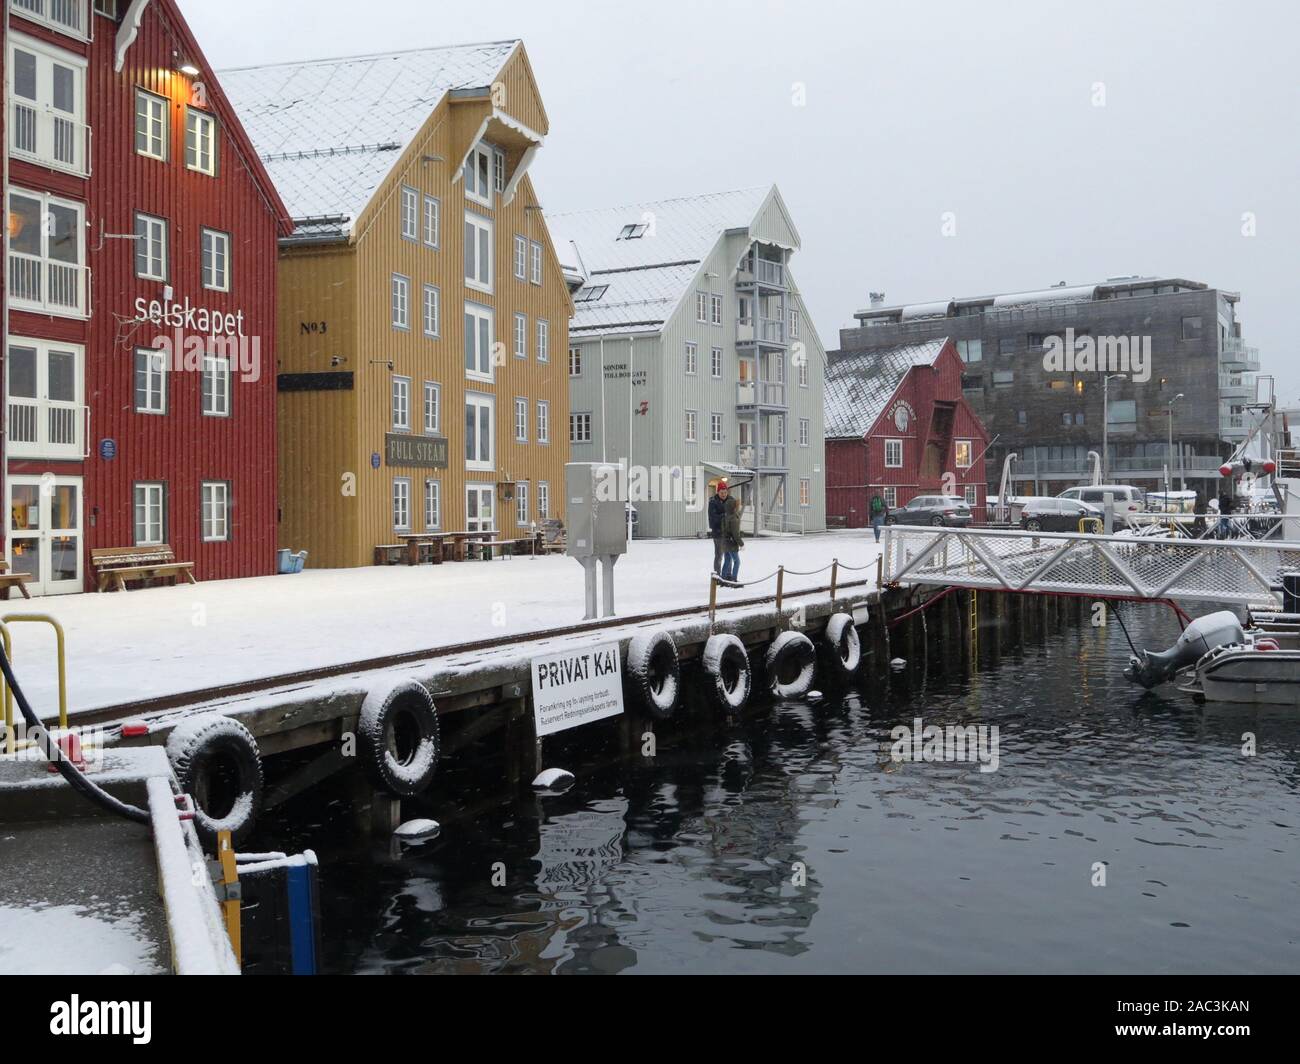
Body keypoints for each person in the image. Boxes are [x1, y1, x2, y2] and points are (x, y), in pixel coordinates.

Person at [720, 491, 744, 585]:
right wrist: (741, 543)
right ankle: (734, 580)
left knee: (727, 560)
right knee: (737, 562)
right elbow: (735, 534)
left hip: (725, 542)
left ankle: (723, 579)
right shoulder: (734, 519)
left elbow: (725, 530)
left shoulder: (725, 517)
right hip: (731, 543)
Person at [708, 480, 729, 574]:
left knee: (729, 555)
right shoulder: (713, 502)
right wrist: (724, 516)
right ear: (718, 492)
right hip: (718, 533)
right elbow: (713, 517)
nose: (724, 494)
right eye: (722, 493)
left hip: (728, 533)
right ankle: (717, 576)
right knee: (719, 555)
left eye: (725, 492)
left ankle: (728, 575)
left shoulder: (730, 500)